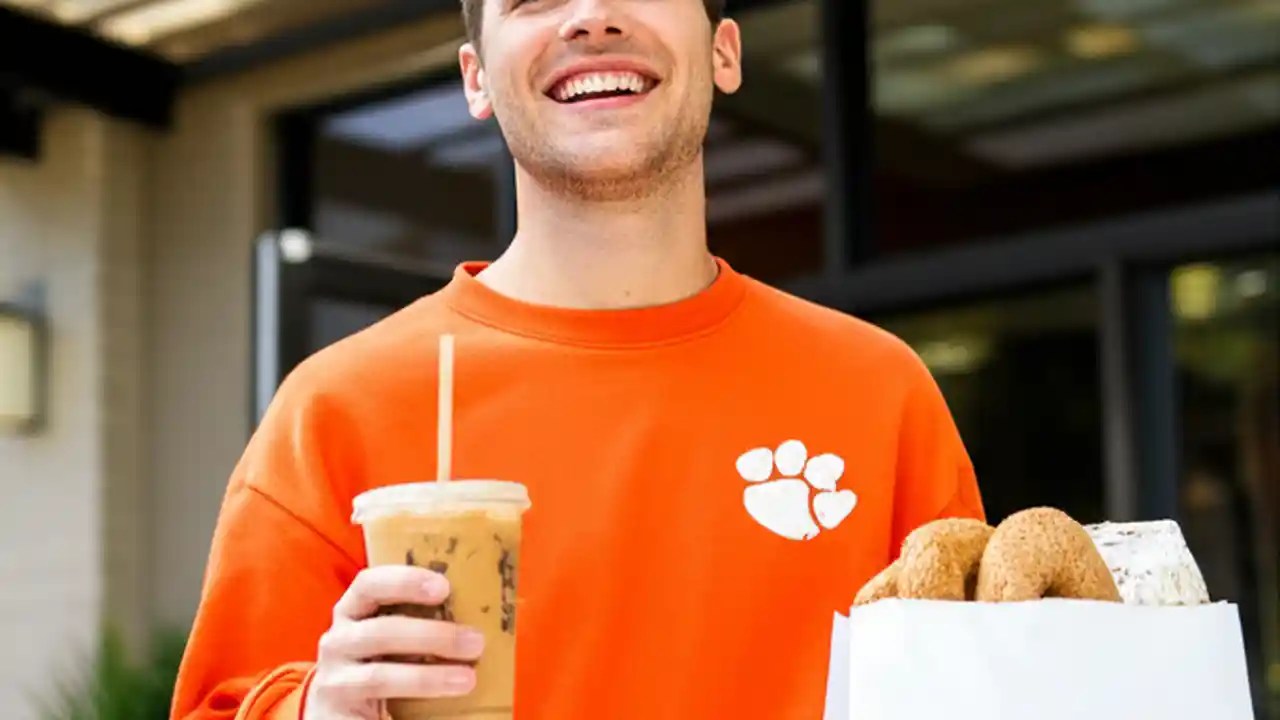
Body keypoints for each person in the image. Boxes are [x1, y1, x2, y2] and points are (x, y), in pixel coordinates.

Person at [170, 0, 986, 718]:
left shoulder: (879, 394)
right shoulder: (337, 409)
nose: (592, 15)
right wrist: (319, 711)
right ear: (476, 79)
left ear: (724, 52)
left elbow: (981, 691)